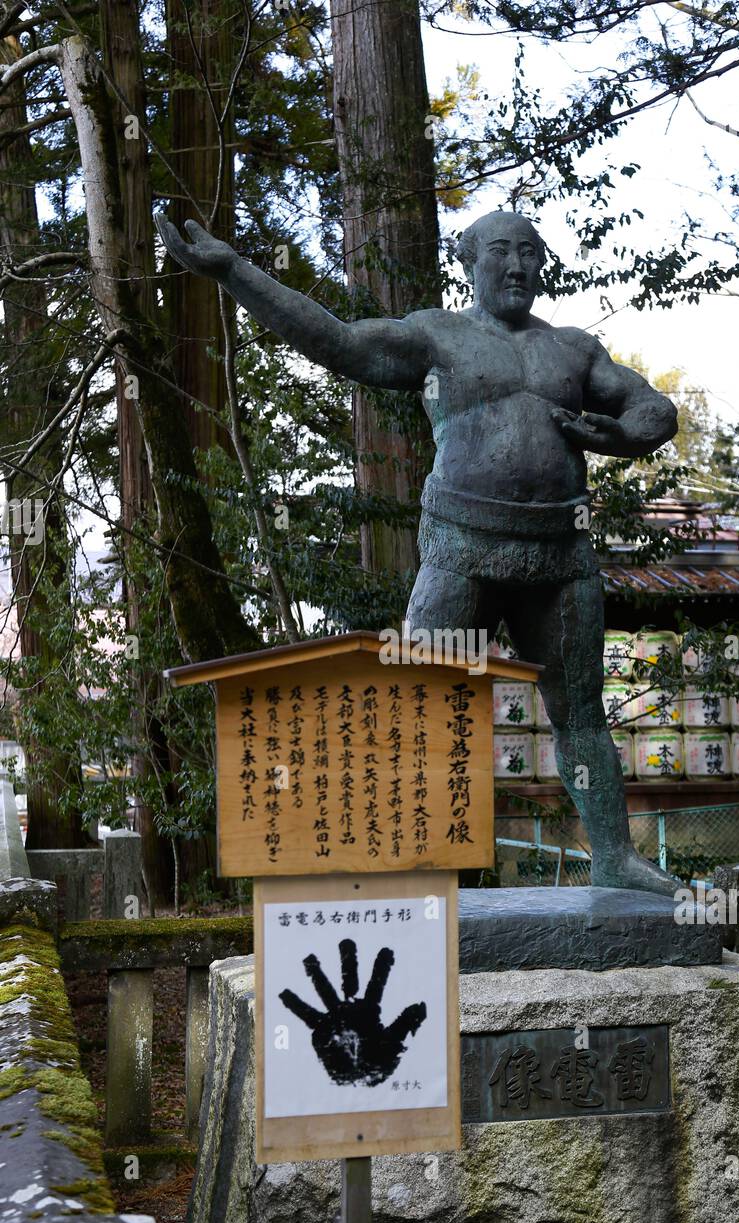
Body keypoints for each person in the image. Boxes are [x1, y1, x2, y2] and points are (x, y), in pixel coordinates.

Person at [156, 208, 680, 893]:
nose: (519, 265)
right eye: (502, 252)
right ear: (468, 261)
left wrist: (620, 434)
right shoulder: (439, 334)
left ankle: (615, 856)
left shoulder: (574, 349)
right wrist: (234, 271)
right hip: (462, 546)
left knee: (580, 711)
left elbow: (653, 408)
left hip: (559, 553)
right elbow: (341, 343)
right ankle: (424, 872)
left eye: (531, 254)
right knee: (424, 705)